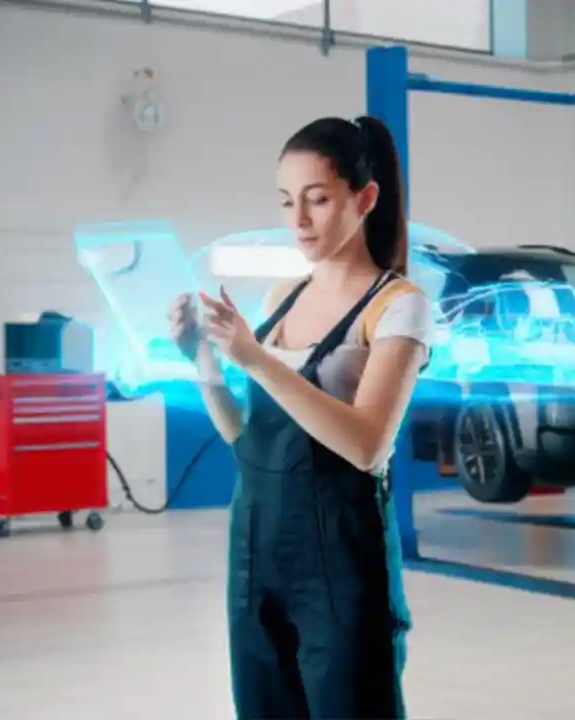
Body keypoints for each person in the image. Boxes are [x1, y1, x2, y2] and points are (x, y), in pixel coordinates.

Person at [166, 116, 430, 719]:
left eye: (318, 199)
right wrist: (203, 358)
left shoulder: (397, 307)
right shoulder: (281, 297)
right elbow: (245, 435)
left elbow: (367, 445)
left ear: (365, 199)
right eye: (287, 202)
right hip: (254, 550)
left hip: (339, 560)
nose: (300, 221)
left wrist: (256, 359)